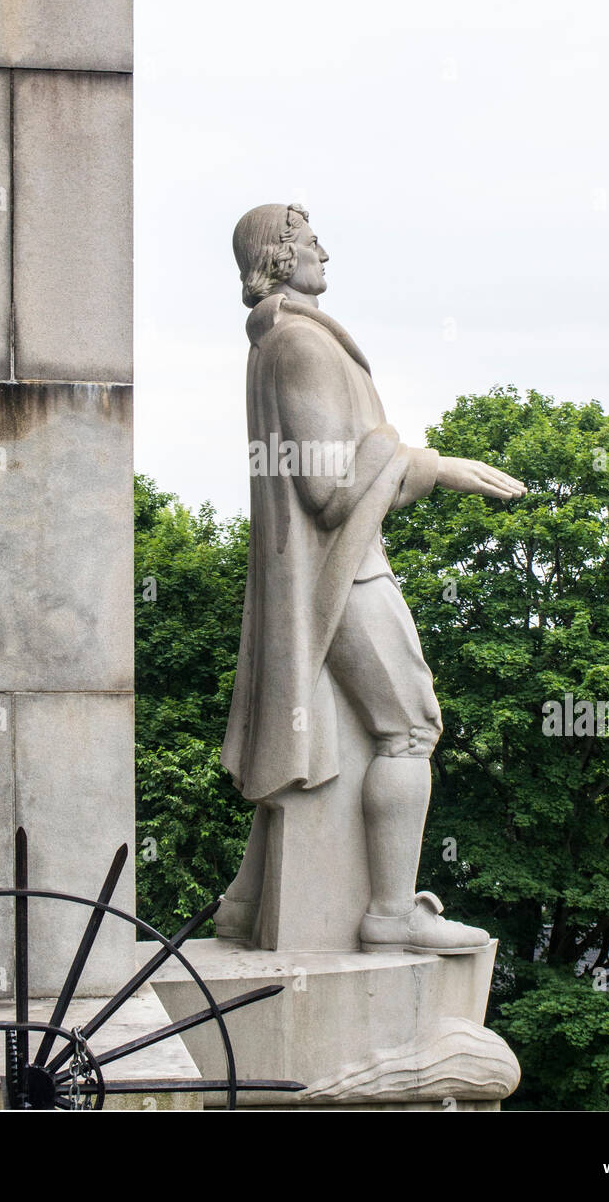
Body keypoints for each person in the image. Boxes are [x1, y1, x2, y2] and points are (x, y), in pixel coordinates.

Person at [219, 203, 525, 953]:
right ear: (280, 256)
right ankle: (389, 911)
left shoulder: (283, 342)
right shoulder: (301, 345)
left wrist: (425, 463)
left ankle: (246, 903)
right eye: (309, 238)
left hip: (325, 569)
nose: (324, 249)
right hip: (343, 572)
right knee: (410, 728)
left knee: (304, 737)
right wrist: (421, 460)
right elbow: (330, 490)